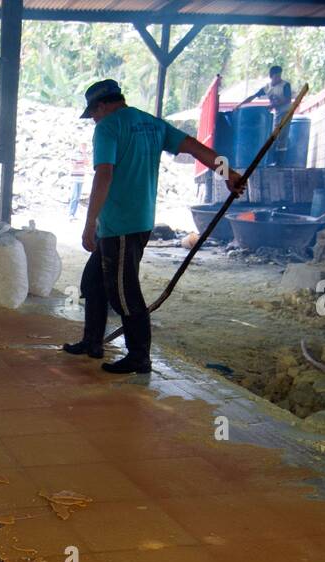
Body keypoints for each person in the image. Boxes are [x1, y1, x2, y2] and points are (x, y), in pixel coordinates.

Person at [64, 79, 244, 374]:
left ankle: (139, 356)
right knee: (93, 281)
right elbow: (197, 148)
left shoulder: (108, 128)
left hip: (120, 225)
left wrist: (89, 223)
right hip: (139, 222)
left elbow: (104, 175)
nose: (93, 119)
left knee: (125, 293)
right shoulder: (151, 124)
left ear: (103, 105)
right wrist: (229, 172)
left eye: (93, 112)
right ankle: (92, 341)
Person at [68, 142, 89, 220]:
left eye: (85, 146)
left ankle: (74, 214)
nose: (84, 148)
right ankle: (70, 214)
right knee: (74, 196)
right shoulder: (74, 154)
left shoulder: (84, 155)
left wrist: (84, 153)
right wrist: (81, 164)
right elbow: (74, 165)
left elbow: (87, 163)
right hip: (75, 178)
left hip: (81, 178)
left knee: (77, 197)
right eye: (83, 146)